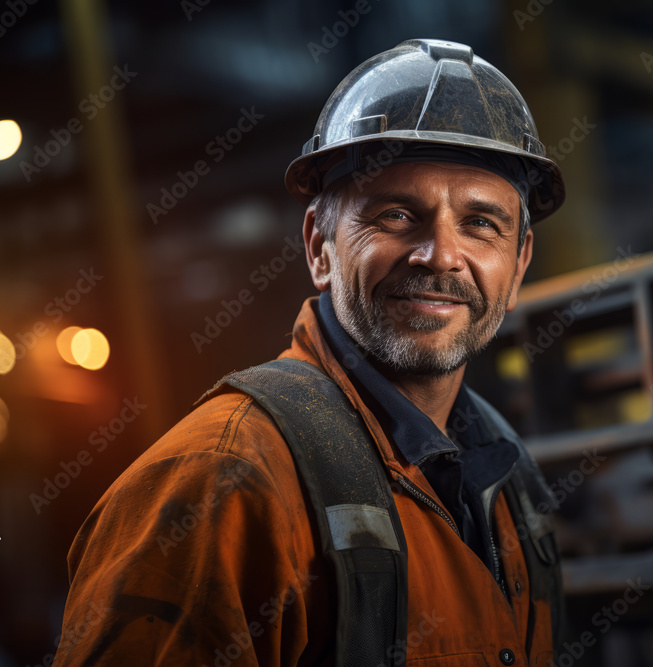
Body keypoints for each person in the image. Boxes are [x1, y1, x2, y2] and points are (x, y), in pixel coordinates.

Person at [54, 38, 566, 667]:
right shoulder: (221, 482)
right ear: (320, 246)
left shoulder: (511, 484)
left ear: (517, 266)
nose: (439, 254)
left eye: (482, 224)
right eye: (397, 214)